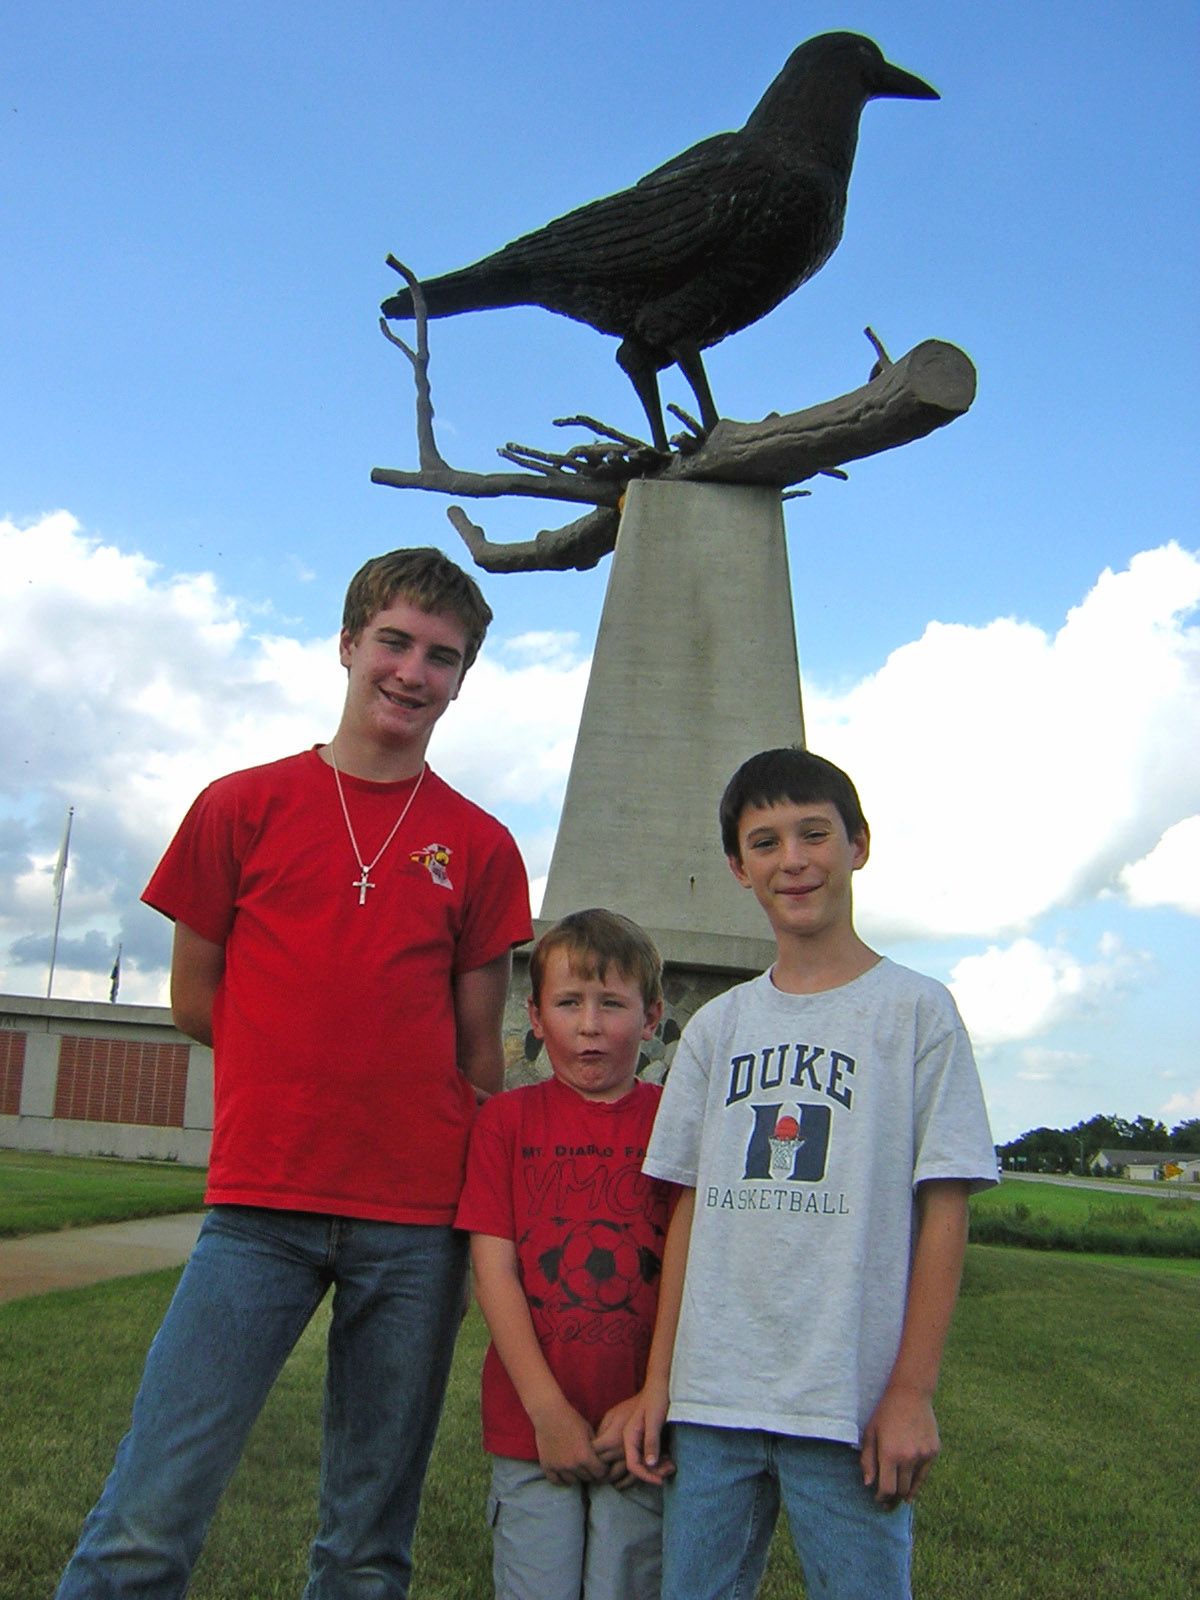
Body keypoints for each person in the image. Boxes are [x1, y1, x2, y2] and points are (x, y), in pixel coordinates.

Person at [56, 547, 533, 1600]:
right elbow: (197, 998)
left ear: (464, 677)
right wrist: (304, 1076)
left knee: (367, 1542)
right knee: (148, 1514)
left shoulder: (482, 845)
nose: (413, 672)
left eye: (442, 657)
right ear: (350, 644)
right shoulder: (242, 805)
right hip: (259, 1204)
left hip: (416, 1226)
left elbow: (476, 1051)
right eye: (396, 643)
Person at [624, 747, 996, 1600]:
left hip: (846, 1405)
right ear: (737, 868)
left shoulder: (916, 1013)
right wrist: (659, 1382)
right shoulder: (717, 1029)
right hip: (712, 1403)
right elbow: (686, 1211)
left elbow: (945, 1206)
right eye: (765, 842)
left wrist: (911, 1390)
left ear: (859, 844)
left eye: (814, 833)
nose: (793, 860)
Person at [456, 909, 674, 1600]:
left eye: (612, 1004)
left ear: (651, 1018)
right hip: (532, 1426)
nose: (588, 1025)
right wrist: (547, 1412)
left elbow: (689, 1274)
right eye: (569, 1003)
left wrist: (651, 1399)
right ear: (534, 1015)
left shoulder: (675, 1124)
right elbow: (494, 1271)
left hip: (641, 1429)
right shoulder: (505, 1123)